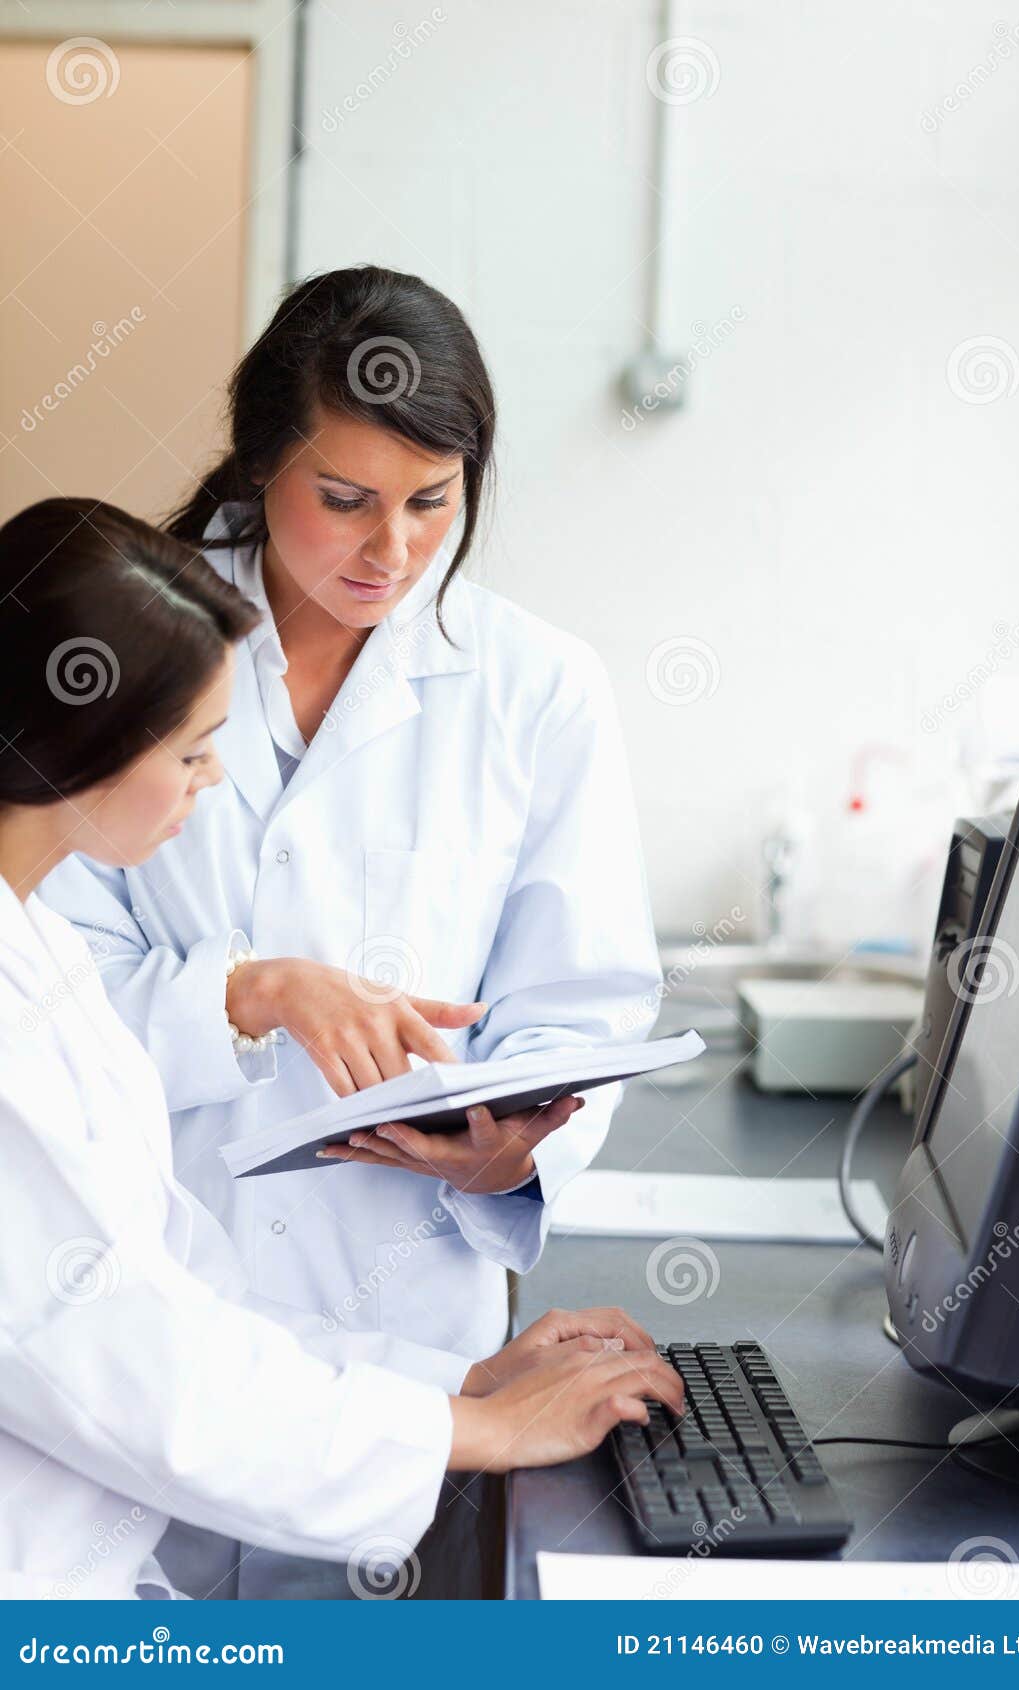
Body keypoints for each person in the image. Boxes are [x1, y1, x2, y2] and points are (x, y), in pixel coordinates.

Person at [42, 266, 662, 1595]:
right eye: (345, 500)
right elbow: (46, 978)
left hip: (394, 1312)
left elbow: (587, 1003)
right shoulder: (131, 650)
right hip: (139, 1334)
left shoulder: (535, 690)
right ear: (261, 466)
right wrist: (250, 990)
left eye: (431, 502)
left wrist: (513, 1150)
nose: (390, 547)